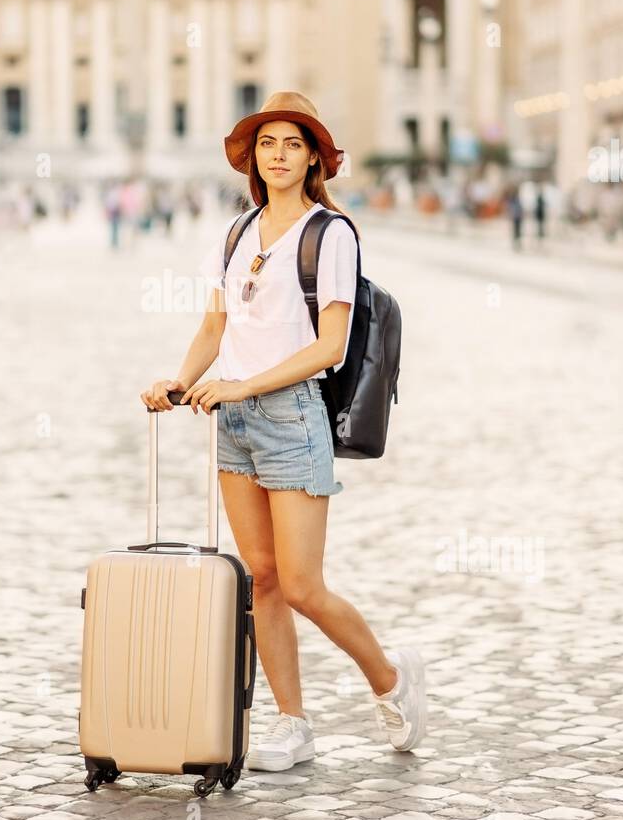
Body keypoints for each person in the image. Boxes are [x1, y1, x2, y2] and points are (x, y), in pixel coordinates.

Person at [139, 90, 427, 773]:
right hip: (232, 423)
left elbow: (329, 346)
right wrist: (181, 381)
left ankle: (391, 678)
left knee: (303, 585)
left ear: (314, 158)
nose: (278, 155)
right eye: (268, 143)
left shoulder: (331, 235)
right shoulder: (235, 234)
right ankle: (292, 723)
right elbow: (216, 327)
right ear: (252, 157)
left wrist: (244, 383)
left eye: (293, 144)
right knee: (262, 581)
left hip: (292, 416)